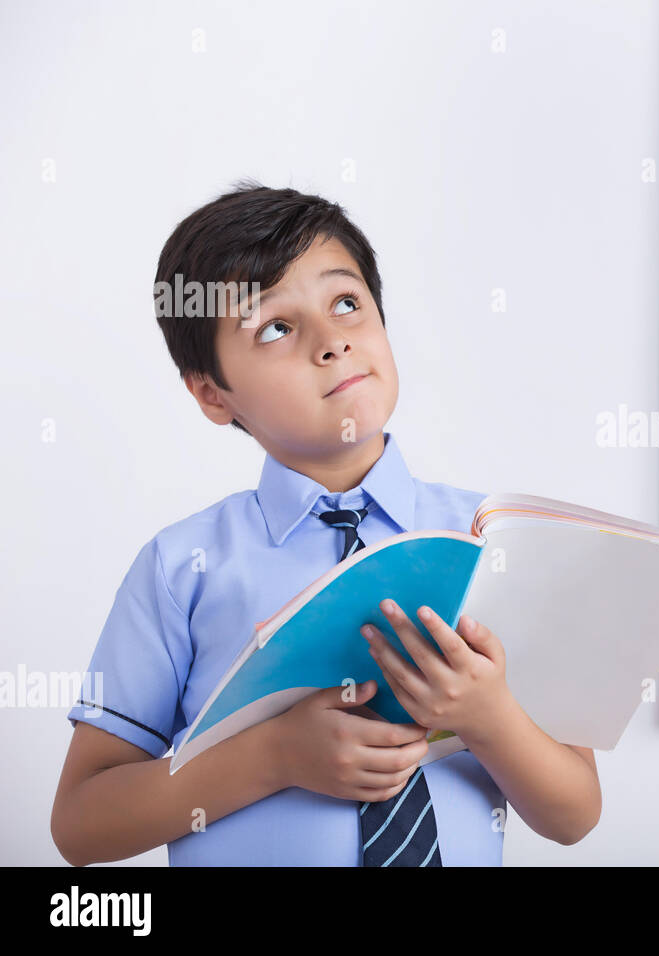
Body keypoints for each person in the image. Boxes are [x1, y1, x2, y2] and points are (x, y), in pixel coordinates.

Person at [50, 182, 600, 865]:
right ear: (212, 394)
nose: (333, 342)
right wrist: (274, 755)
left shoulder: (497, 541)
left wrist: (488, 719)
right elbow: (80, 824)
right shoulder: (181, 566)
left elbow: (574, 815)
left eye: (346, 303)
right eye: (276, 327)